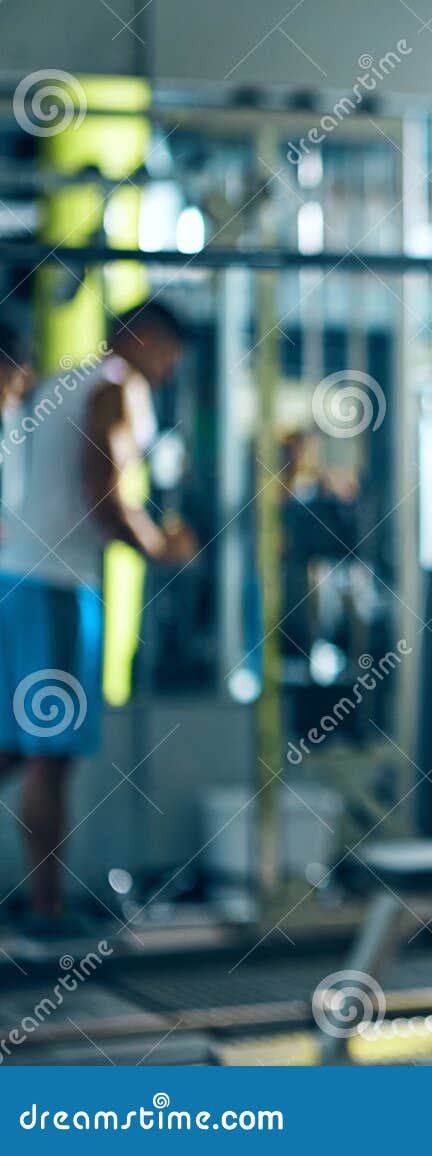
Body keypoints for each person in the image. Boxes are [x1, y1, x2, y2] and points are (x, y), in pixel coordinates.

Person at [0, 301, 197, 938]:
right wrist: (163, 547)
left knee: (12, 747)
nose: (169, 367)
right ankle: (47, 913)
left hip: (20, 579)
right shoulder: (113, 390)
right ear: (143, 338)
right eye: (168, 352)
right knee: (49, 757)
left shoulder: (66, 381)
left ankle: (43, 906)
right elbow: (106, 499)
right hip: (56, 585)